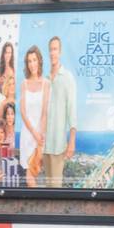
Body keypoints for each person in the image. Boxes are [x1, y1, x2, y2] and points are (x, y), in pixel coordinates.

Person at [43, 36, 78, 187]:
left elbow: (72, 110)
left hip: (58, 145)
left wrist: (72, 141)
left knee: (56, 189)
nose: (52, 53)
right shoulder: (44, 79)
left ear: (60, 51)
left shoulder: (68, 77)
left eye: (55, 49)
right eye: (51, 49)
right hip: (44, 144)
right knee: (46, 188)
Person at [19, 46, 49, 188]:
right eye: (29, 61)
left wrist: (40, 136)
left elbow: (44, 112)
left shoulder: (46, 84)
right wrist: (34, 133)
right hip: (27, 135)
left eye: (34, 60)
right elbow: (23, 113)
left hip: (40, 136)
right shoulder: (24, 84)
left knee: (35, 174)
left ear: (39, 61)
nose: (32, 64)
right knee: (29, 176)